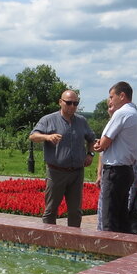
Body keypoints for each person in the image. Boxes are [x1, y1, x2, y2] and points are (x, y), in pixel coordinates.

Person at [29, 89, 96, 228]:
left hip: (76, 172)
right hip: (56, 172)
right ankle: (48, 241)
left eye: (75, 103)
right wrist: (47, 137)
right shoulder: (49, 120)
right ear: (60, 102)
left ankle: (73, 241)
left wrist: (90, 154)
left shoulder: (81, 121)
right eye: (69, 103)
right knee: (51, 210)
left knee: (75, 211)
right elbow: (33, 136)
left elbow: (91, 139)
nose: (72, 106)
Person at [95, 81, 137, 232]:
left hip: (115, 171)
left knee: (109, 218)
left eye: (112, 97)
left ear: (122, 96)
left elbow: (103, 143)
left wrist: (98, 145)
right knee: (121, 217)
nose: (110, 101)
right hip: (127, 170)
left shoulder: (121, 113)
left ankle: (107, 252)